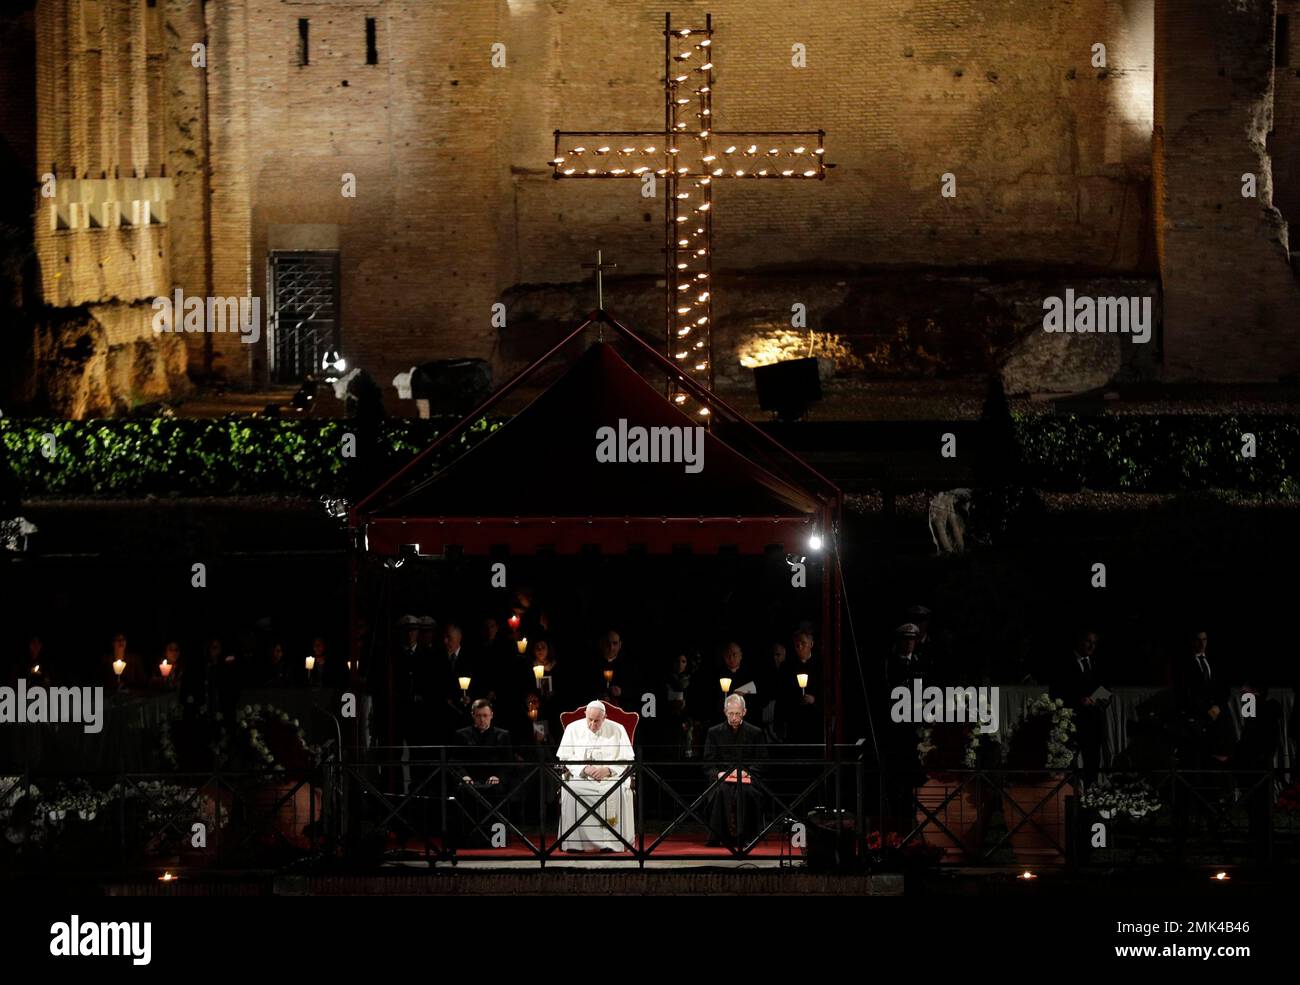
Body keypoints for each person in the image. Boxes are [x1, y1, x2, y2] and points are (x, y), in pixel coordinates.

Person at [556, 700, 635, 852]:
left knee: (618, 791)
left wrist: (608, 769)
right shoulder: (573, 729)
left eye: (597, 721)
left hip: (610, 777)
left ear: (605, 718)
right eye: (589, 720)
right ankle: (576, 843)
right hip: (581, 776)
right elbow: (565, 758)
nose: (592, 724)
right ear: (585, 714)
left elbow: (626, 760)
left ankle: (611, 843)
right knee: (572, 792)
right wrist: (584, 768)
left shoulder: (618, 729)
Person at [703, 694, 769, 846]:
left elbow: (763, 761)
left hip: (747, 779)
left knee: (744, 791)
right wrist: (719, 774)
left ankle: (745, 837)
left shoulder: (755, 732)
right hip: (722, 779)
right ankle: (720, 837)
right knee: (721, 791)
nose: (734, 717)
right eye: (731, 713)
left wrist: (748, 773)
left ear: (744, 712)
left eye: (737, 713)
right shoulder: (714, 732)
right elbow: (708, 763)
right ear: (725, 712)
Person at [1049, 629, 1108, 785]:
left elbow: (1106, 687)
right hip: (1072, 723)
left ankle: (1091, 799)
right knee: (1069, 766)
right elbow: (1057, 691)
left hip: (1093, 723)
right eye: (1088, 641)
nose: (1091, 646)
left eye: (1094, 643)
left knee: (1092, 765)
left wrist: (1095, 700)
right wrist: (1078, 701)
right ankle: (1069, 801)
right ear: (1080, 640)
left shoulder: (1096, 663)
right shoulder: (1063, 662)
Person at [454, 699, 514, 786]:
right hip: (469, 783)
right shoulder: (461, 734)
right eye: (478, 716)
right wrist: (464, 776)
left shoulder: (503, 735)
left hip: (495, 784)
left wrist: (498, 777)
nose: (482, 719)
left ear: (491, 715)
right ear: (473, 715)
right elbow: (456, 760)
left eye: (485, 715)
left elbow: (508, 762)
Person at [778, 629, 823, 747]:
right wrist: (779, 724)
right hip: (794, 719)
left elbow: (828, 692)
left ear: (811, 644)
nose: (799, 646)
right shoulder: (786, 667)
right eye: (796, 644)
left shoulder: (821, 665)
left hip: (816, 719)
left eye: (803, 643)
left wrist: (815, 699)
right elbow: (781, 695)